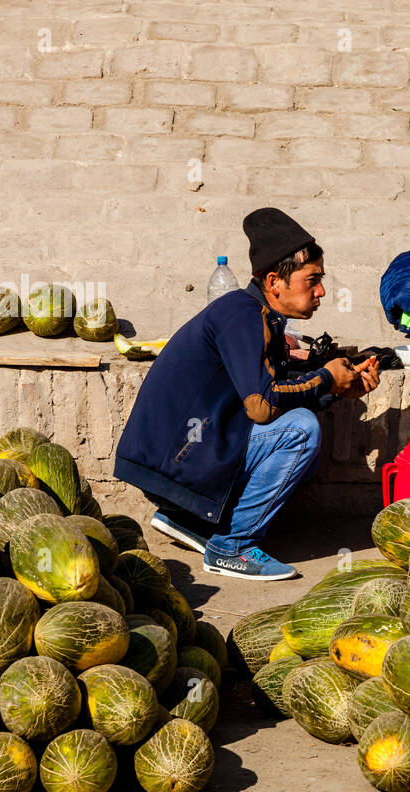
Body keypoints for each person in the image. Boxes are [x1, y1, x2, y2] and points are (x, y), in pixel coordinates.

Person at [114, 207, 380, 581]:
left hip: (175, 459)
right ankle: (233, 546)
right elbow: (263, 404)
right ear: (274, 281)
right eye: (312, 280)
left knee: (298, 419)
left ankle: (187, 517)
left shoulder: (258, 317)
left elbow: (275, 390)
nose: (321, 291)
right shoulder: (242, 315)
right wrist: (326, 379)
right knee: (301, 430)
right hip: (174, 460)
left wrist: (338, 387)